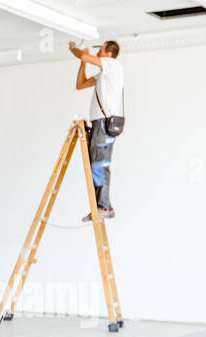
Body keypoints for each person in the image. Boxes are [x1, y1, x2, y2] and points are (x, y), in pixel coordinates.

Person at [70, 39, 124, 221]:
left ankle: (104, 207)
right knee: (96, 165)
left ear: (109, 54)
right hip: (98, 124)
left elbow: (85, 55)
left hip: (103, 123)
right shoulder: (104, 75)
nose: (98, 53)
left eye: (101, 50)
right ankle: (101, 205)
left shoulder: (113, 65)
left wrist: (75, 50)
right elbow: (80, 84)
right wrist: (82, 62)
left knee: (99, 165)